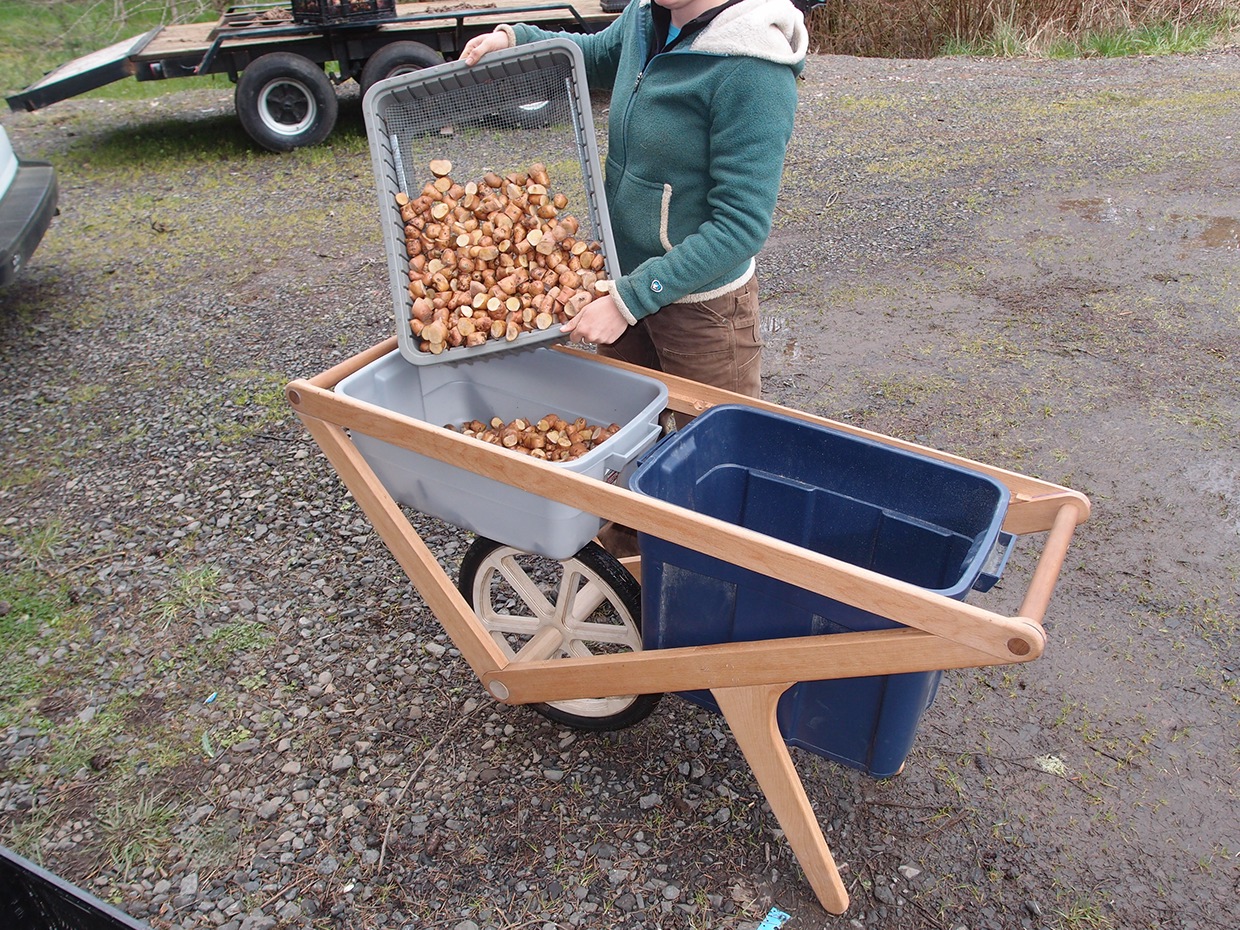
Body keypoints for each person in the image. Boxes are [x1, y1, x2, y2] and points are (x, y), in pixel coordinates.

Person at [461, 0, 808, 399]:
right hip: (621, 281)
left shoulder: (754, 70)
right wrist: (515, 39)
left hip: (699, 311)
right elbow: (592, 54)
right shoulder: (644, 17)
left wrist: (630, 299)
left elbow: (740, 227)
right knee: (626, 435)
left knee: (708, 447)